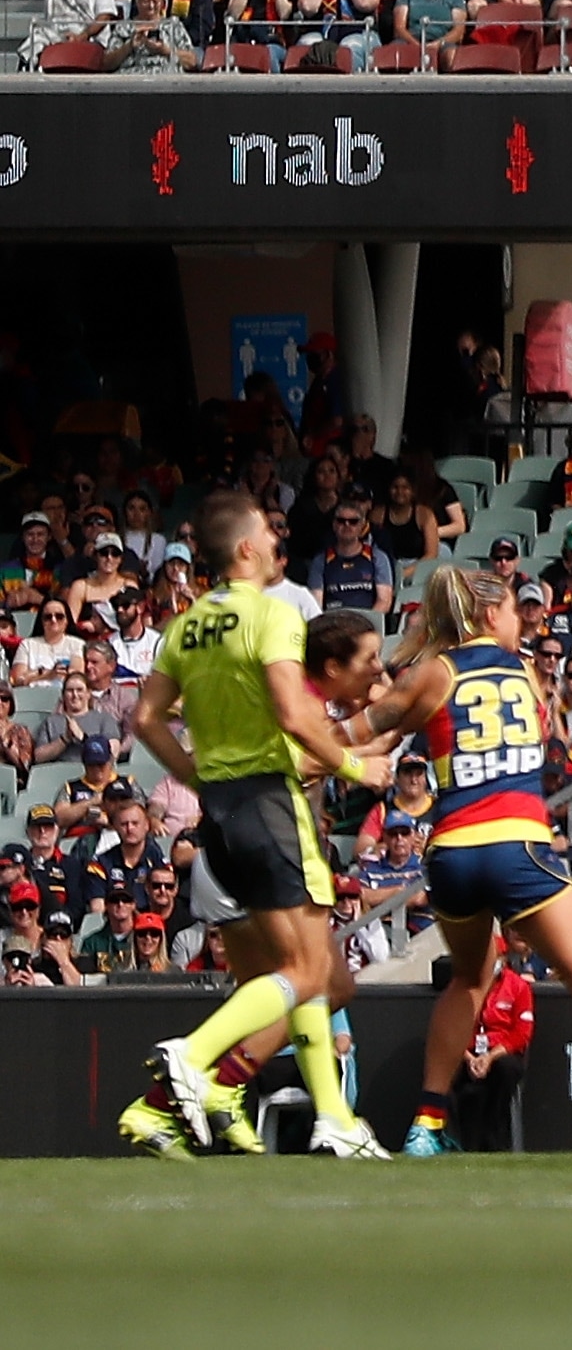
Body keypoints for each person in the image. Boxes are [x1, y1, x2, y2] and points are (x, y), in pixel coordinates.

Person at [331, 568, 572, 1156]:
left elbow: (372, 733)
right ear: (489, 616)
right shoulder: (524, 671)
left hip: (448, 854)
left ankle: (426, 1126)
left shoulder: (434, 674)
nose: (520, 620)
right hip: (516, 844)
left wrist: (320, 743)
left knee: (470, 979)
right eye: (511, 612)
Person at [122, 493, 393, 1160]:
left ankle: (328, 1115)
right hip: (270, 803)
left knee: (302, 970)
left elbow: (145, 718)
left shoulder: (184, 626)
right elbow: (293, 715)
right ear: (245, 549)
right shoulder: (270, 614)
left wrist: (193, 773)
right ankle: (196, 1059)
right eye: (270, 536)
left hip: (220, 811)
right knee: (310, 970)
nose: (278, 544)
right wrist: (357, 765)